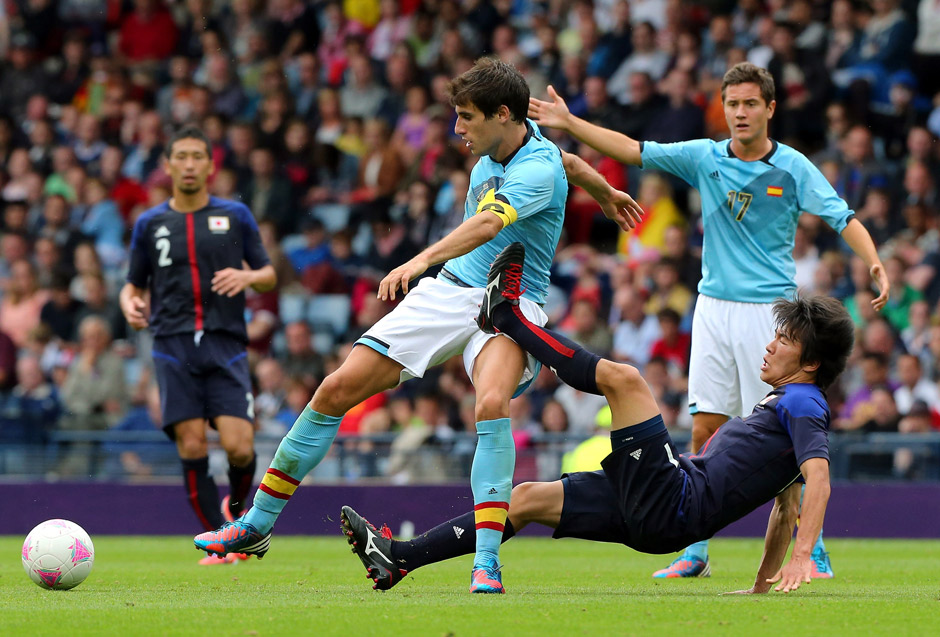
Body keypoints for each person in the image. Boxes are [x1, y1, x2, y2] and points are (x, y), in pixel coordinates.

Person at [194, 58, 642, 593]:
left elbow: (485, 223)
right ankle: (257, 525)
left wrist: (417, 260)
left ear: (502, 114)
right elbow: (571, 162)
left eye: (467, 118)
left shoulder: (536, 169)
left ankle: (486, 561)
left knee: (491, 402)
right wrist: (605, 191)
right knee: (336, 387)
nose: (458, 129)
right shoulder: (523, 142)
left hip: (512, 300)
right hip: (451, 291)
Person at [528, 61, 890, 579]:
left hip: (769, 311)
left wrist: (873, 259)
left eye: (749, 103)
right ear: (723, 109)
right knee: (705, 427)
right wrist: (569, 122)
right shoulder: (705, 156)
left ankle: (816, 544)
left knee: (780, 436)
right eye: (732, 104)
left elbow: (843, 218)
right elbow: (632, 150)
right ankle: (696, 549)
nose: (740, 113)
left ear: (769, 108)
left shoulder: (792, 167)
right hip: (713, 309)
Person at [341, 244, 854, 595]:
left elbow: (819, 480)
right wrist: (764, 587)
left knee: (625, 381)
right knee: (522, 500)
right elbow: (786, 509)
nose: (769, 346)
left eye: (784, 341)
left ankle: (510, 320)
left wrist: (802, 556)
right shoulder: (785, 405)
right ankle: (398, 558)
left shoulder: (805, 404)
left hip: (673, 500)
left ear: (809, 364)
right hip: (659, 512)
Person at [119, 125, 276, 565]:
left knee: (241, 446)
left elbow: (267, 273)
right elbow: (132, 285)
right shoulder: (150, 223)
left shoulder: (235, 215)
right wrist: (130, 304)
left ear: (210, 166)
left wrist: (246, 276)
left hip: (226, 343)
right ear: (167, 166)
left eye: (197, 157)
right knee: (191, 445)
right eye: (181, 156)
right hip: (172, 343)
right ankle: (219, 540)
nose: (189, 164)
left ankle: (239, 520)